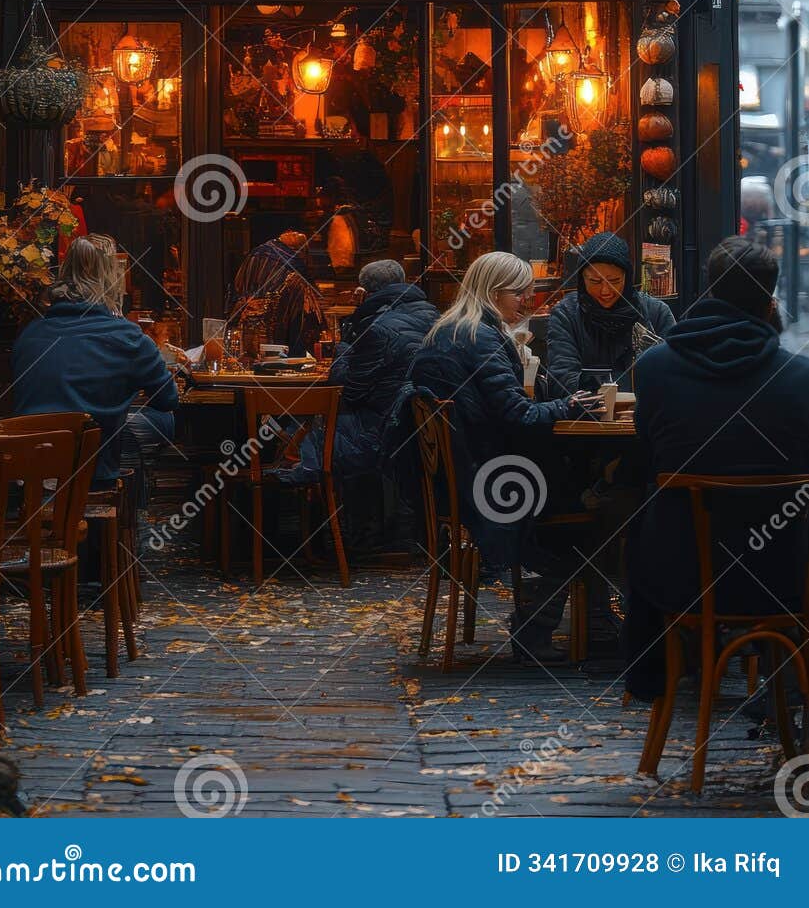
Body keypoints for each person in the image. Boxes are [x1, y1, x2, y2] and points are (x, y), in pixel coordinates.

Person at [625, 237, 809, 699]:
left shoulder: (653, 369)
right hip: (781, 575)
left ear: (709, 291)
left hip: (676, 573)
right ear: (769, 301)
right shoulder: (798, 378)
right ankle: (787, 690)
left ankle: (669, 674)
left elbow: (646, 458)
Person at [408, 251, 599, 656]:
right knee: (590, 514)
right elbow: (518, 415)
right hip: (492, 483)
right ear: (494, 292)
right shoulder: (482, 337)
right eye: (520, 293)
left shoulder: (450, 329)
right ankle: (553, 627)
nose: (526, 301)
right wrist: (569, 407)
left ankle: (562, 622)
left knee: (584, 503)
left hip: (465, 476)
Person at [12, 235, 179, 487]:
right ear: (113, 278)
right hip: (92, 473)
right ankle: (132, 516)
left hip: (31, 472)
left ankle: (126, 513)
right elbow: (168, 399)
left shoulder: (31, 334)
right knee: (161, 421)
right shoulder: (128, 337)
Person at [326, 260, 438, 476]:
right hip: (427, 428)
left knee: (314, 424)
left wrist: (344, 347)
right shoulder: (435, 315)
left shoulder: (377, 327)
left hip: (385, 430)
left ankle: (319, 498)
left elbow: (350, 391)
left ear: (366, 291)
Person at [546, 231, 674, 396]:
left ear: (627, 278)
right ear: (582, 280)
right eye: (595, 281)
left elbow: (676, 374)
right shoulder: (566, 315)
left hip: (646, 415)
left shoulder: (656, 312)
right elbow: (561, 382)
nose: (605, 291)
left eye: (614, 281)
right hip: (586, 418)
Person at [226, 230, 327, 358]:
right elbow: (304, 326)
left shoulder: (257, 255)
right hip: (279, 347)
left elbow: (234, 295)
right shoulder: (296, 279)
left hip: (245, 345)